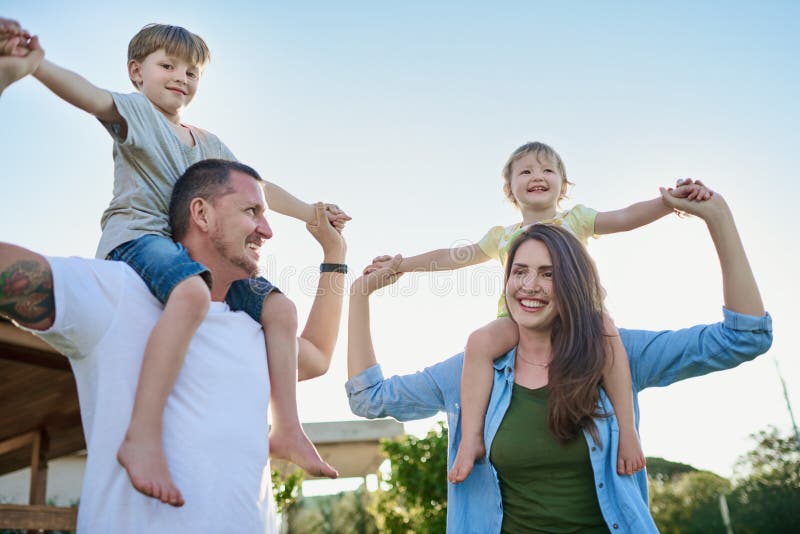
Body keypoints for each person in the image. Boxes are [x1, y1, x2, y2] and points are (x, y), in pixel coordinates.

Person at [9, 21, 350, 504]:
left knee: (281, 310)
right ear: (136, 72)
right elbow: (90, 97)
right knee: (191, 291)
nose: (181, 78)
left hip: (188, 259)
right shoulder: (136, 113)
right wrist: (37, 66)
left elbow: (259, 188)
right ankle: (142, 435)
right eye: (167, 66)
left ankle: (289, 429)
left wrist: (312, 214)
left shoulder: (208, 144)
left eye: (191, 71)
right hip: (139, 241)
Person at [347, 183, 772, 533]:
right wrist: (359, 297)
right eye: (520, 271)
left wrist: (718, 218)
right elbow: (370, 399)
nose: (530, 286)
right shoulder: (472, 369)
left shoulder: (612, 351)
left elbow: (742, 338)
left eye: (549, 274)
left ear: (573, 282)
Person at [0, 158, 347, 532]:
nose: (267, 230)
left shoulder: (256, 327)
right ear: (201, 213)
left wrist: (335, 255)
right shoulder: (118, 292)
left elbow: (317, 355)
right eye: (252, 211)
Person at [367, 141, 713, 483]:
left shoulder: (576, 219)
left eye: (548, 169)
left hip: (578, 319)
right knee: (479, 341)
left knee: (609, 332)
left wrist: (669, 203)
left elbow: (624, 217)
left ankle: (628, 431)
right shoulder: (503, 236)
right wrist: (403, 265)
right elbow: (452, 257)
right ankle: (472, 437)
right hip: (521, 322)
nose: (538, 175)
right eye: (527, 170)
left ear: (563, 185)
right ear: (510, 188)